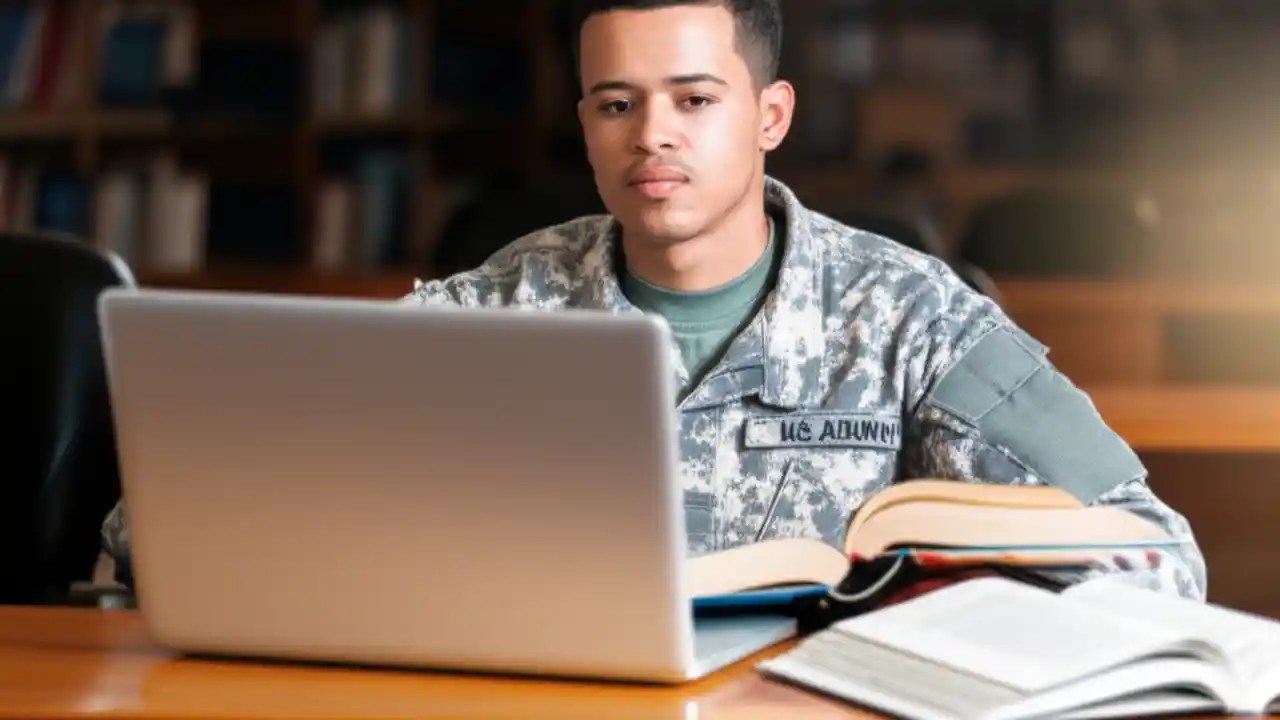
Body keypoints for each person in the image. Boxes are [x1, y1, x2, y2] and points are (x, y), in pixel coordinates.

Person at [102, 0, 1206, 600]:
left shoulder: (915, 319)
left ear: (768, 114)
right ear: (583, 124)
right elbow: (163, 530)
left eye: (692, 97)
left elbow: (1155, 557)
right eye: (615, 103)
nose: (653, 135)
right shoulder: (497, 307)